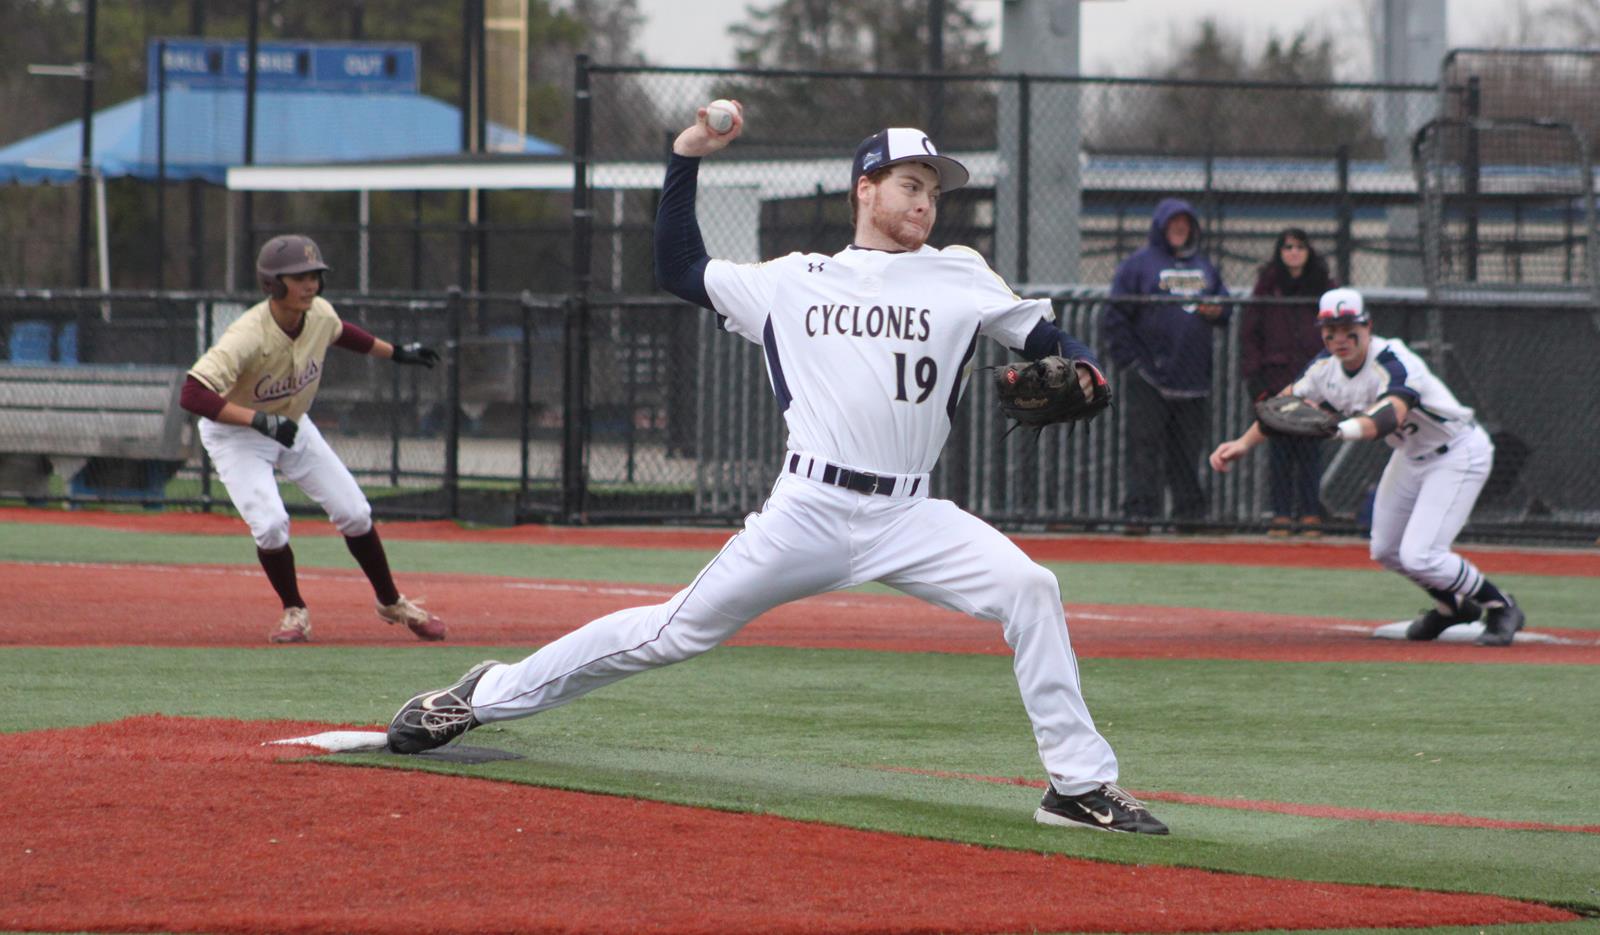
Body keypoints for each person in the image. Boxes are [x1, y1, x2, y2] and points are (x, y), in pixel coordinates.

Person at [385, 105, 1170, 835]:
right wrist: (685, 157)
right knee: (672, 631)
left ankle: (1077, 784)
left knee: (1031, 587)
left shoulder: (960, 273)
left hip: (911, 514)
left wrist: (1086, 368)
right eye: (911, 184)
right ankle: (484, 694)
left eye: (934, 191)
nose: (926, 202)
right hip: (809, 509)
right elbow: (678, 267)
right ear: (865, 189)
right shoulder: (792, 279)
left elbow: (1050, 340)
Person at [1209, 287, 1524, 647]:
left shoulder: (1394, 361)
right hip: (1411, 455)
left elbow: (1389, 417)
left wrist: (1338, 430)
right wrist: (1243, 443)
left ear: (1368, 326)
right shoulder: (1324, 369)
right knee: (1386, 550)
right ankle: (1453, 606)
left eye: (1349, 329)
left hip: (1457, 453)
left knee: (1421, 555)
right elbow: (1281, 408)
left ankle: (1501, 606)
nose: (1340, 339)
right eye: (1331, 331)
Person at [180, 234, 447, 644]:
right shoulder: (247, 334)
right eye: (298, 277)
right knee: (271, 525)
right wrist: (258, 421)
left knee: (355, 513)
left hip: (292, 424)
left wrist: (397, 352)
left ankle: (391, 602)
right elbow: (192, 393)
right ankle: (294, 610)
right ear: (273, 283)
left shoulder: (318, 313)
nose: (310, 285)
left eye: (314, 276)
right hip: (236, 434)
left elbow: (341, 333)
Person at [1103, 198, 1229, 529]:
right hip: (1149, 376)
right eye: (1173, 224)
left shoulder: (1204, 266)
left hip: (1192, 378)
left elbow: (1224, 304)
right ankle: (1140, 511)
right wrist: (1130, 362)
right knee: (1144, 446)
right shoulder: (1138, 265)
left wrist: (1218, 310)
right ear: (1161, 227)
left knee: (1187, 449)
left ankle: (1189, 514)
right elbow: (1115, 316)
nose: (1180, 229)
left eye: (1185, 224)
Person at [1240, 228, 1336, 537]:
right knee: (1280, 450)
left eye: (1299, 247)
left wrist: (1330, 378)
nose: (1294, 253)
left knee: (1310, 449)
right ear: (1279, 252)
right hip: (1277, 380)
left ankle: (1309, 514)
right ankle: (1280, 514)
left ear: (1309, 252)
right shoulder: (1267, 287)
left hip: (1313, 381)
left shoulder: (1324, 286)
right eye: (1288, 247)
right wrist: (1257, 382)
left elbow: (1336, 333)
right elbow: (1250, 335)